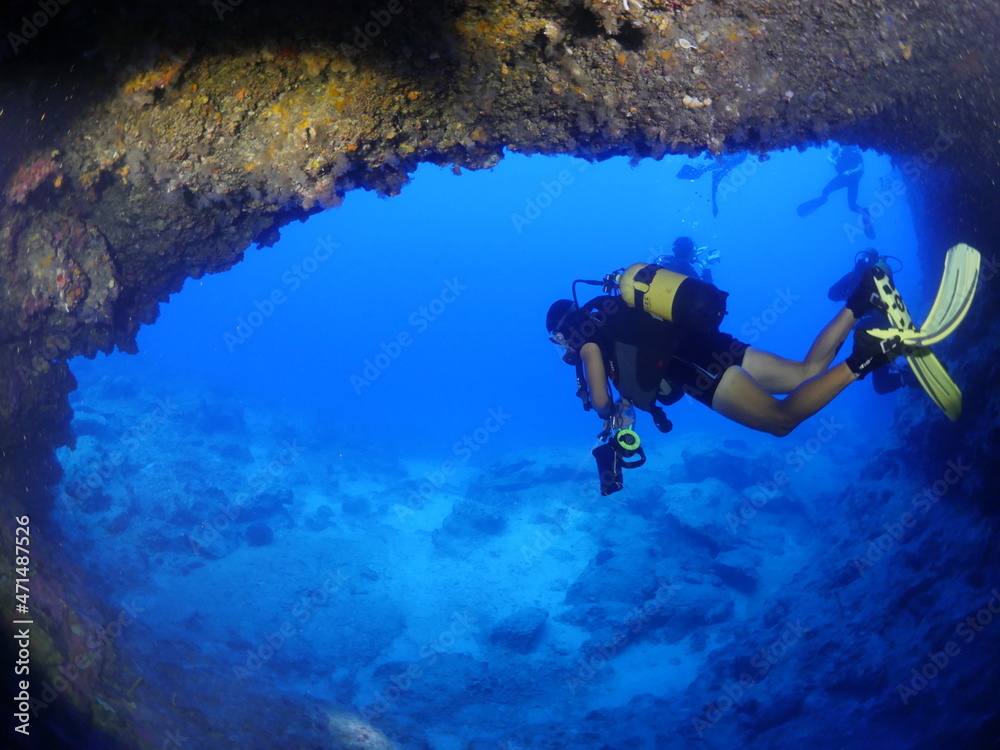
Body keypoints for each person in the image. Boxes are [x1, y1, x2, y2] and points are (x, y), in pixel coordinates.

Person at [547, 263, 900, 438]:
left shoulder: (589, 339)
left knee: (780, 420)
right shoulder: (612, 308)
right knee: (804, 372)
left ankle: (870, 354)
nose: (562, 346)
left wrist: (610, 412)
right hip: (708, 343)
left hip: (695, 368)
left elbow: (599, 399)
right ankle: (862, 298)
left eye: (557, 339)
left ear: (563, 331)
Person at [797, 144, 875, 239]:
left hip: (853, 180)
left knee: (851, 206)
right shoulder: (838, 150)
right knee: (825, 191)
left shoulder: (854, 153)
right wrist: (833, 161)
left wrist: (850, 172)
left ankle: (865, 213)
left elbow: (861, 167)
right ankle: (821, 201)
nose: (844, 147)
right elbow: (828, 157)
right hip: (842, 178)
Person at [676, 152, 749, 217]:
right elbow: (716, 177)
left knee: (717, 166)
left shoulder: (732, 160)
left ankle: (698, 171)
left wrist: (714, 204)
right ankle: (698, 171)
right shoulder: (732, 160)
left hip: (736, 155)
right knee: (717, 166)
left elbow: (716, 178)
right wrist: (714, 204)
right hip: (736, 155)